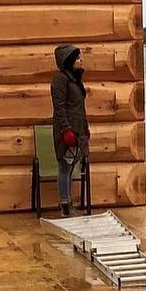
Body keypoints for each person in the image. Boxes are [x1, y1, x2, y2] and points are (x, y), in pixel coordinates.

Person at [50, 43, 91, 214]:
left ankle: (68, 204)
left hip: (78, 129)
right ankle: (65, 205)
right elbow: (59, 107)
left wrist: (85, 127)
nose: (81, 60)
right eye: (78, 57)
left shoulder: (75, 80)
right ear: (71, 60)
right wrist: (66, 130)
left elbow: (79, 107)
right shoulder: (61, 80)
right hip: (66, 130)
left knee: (71, 166)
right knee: (64, 167)